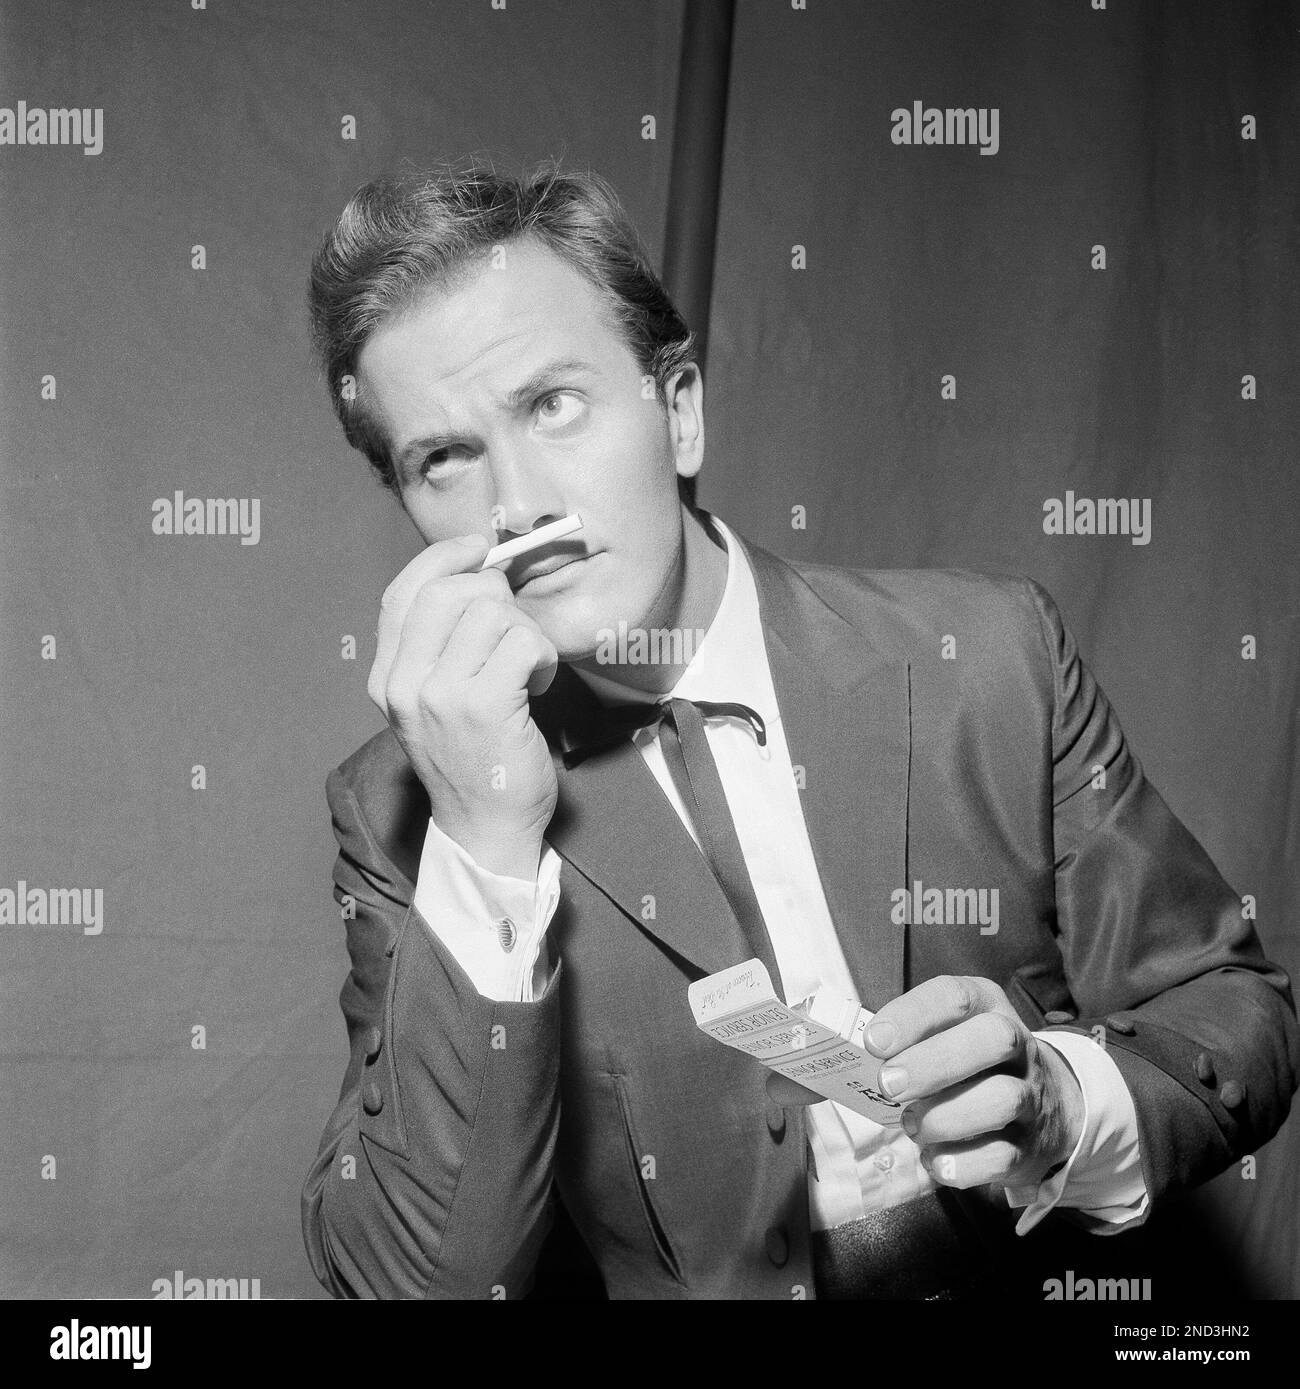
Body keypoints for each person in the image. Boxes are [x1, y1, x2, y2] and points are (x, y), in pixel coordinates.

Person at [300, 160, 1298, 1300]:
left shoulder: (987, 656)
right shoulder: (402, 813)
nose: (518, 505)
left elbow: (1233, 1010)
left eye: (552, 404)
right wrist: (482, 845)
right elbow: (410, 1286)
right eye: (445, 458)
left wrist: (1062, 1103)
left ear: (676, 414)